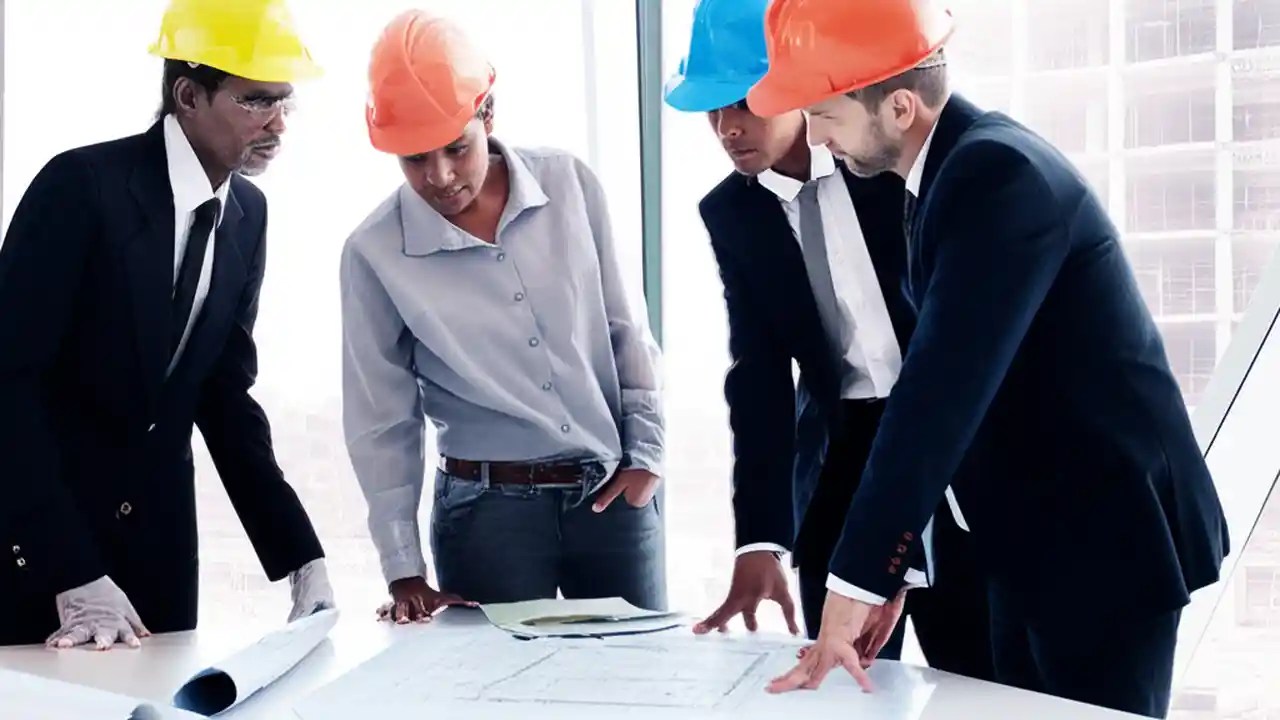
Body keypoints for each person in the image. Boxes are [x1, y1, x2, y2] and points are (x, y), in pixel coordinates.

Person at [746, 1, 1229, 716]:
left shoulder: (996, 174)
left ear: (899, 108)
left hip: (1101, 549)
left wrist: (854, 586)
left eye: (825, 115)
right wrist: (901, 569)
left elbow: (938, 398)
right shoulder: (946, 174)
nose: (815, 137)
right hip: (1029, 543)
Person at [663, 0, 993, 681]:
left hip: (951, 440)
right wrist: (760, 538)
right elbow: (757, 376)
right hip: (842, 458)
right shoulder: (731, 212)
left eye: (743, 102)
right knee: (843, 680)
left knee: (981, 671)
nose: (727, 128)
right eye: (712, 111)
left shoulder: (881, 153)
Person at [0, 0, 334, 650]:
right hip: (46, 551)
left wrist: (301, 556)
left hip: (158, 557)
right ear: (187, 95)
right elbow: (8, 385)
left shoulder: (248, 214)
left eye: (284, 102)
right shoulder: (81, 186)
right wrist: (70, 570)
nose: (277, 123)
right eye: (255, 101)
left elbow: (224, 397)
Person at [342, 9, 666, 624]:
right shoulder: (373, 252)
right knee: (498, 683)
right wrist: (403, 567)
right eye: (415, 158)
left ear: (487, 114)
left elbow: (626, 327)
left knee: (642, 670)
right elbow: (381, 418)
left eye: (455, 148)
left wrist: (646, 453)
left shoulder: (569, 184)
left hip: (611, 498)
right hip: (487, 522)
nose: (439, 176)